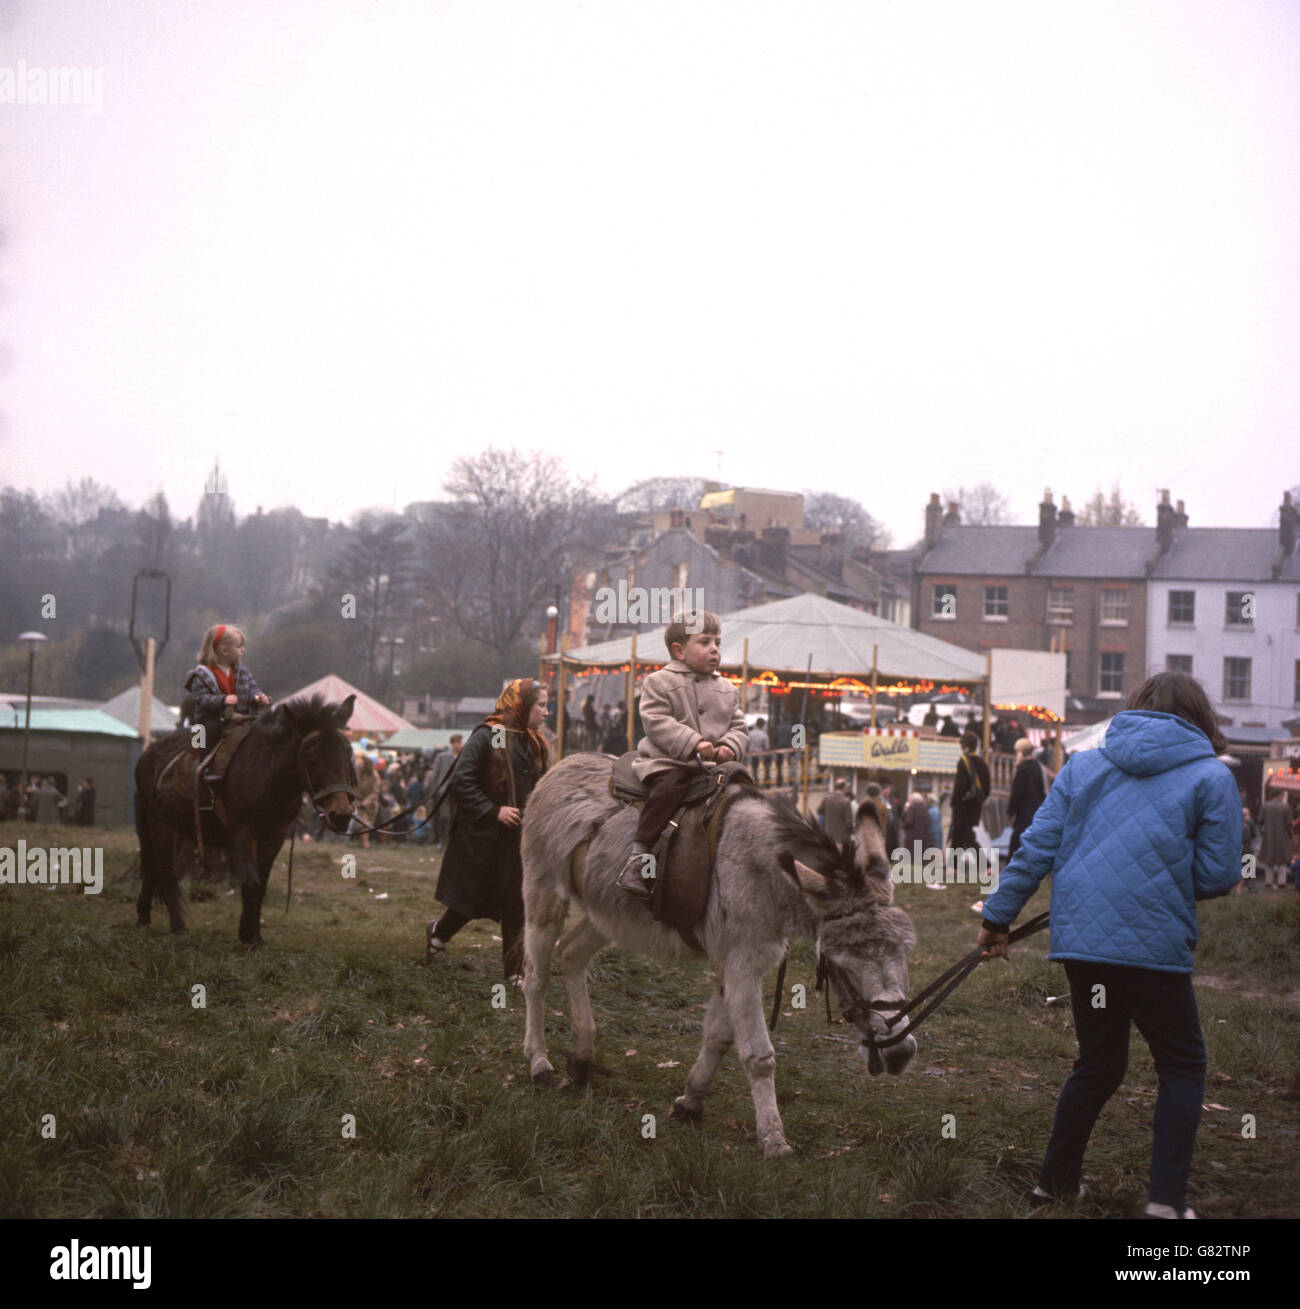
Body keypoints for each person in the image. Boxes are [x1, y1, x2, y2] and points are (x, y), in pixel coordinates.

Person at [976, 672, 1241, 1219]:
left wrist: (998, 918)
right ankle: (1166, 1203)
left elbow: (1034, 850)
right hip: (1153, 949)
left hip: (1084, 949)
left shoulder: (1084, 766)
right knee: (1183, 1065)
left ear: (1135, 707)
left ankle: (1053, 1185)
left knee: (1098, 1063)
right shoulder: (1211, 777)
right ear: (1201, 717)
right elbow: (1218, 874)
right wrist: (1159, 880)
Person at [617, 610, 747, 899]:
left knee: (746, 789)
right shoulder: (658, 682)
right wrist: (692, 742)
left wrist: (730, 745)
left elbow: (739, 725)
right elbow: (656, 720)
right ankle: (638, 858)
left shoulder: (727, 689)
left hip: (715, 766)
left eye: (717, 642)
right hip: (671, 761)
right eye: (704, 642)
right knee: (667, 790)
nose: (714, 648)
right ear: (678, 650)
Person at [427, 679, 549, 980]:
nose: (547, 712)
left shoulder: (533, 742)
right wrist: (493, 811)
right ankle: (437, 935)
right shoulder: (489, 736)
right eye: (542, 705)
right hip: (482, 837)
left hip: (518, 841)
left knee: (516, 904)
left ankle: (513, 972)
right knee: (469, 901)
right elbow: (461, 782)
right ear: (521, 706)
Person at [183, 624, 270, 757]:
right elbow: (200, 699)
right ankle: (202, 765)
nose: (243, 650)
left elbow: (252, 688)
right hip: (209, 719)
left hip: (241, 716)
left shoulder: (242, 671)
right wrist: (223, 700)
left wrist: (257, 696)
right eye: (239, 646)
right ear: (224, 650)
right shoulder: (200, 675)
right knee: (207, 731)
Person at [1006, 737, 1049, 860]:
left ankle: (1011, 866)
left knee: (1016, 840)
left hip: (1023, 811)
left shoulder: (1022, 768)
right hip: (1036, 809)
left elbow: (1017, 793)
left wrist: (1010, 811)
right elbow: (1043, 789)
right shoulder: (1038, 766)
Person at [947, 731, 989, 854]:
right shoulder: (983, 764)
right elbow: (987, 789)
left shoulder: (963, 761)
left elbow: (960, 786)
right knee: (960, 836)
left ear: (964, 745)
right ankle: (953, 867)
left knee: (965, 837)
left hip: (962, 805)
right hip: (976, 805)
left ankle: (986, 865)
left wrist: (954, 802)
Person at [1258, 787, 1292, 890]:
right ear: (1279, 795)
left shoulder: (1265, 806)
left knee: (1269, 860)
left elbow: (1260, 820)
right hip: (1282, 837)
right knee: (1282, 860)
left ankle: (1268, 881)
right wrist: (1290, 836)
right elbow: (1288, 824)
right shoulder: (1286, 807)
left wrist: (1262, 831)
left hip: (1268, 836)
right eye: (1282, 795)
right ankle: (1281, 882)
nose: (1283, 797)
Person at [821, 778, 854, 845]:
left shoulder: (827, 798)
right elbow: (849, 822)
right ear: (844, 788)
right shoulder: (846, 801)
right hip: (841, 838)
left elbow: (820, 811)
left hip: (828, 835)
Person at [749, 716, 771, 784]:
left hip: (751, 755)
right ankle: (760, 784)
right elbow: (767, 747)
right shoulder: (764, 735)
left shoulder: (750, 733)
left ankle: (752, 783)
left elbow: (747, 744)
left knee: (752, 769)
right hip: (760, 756)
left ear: (756, 723)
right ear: (763, 725)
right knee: (760, 771)